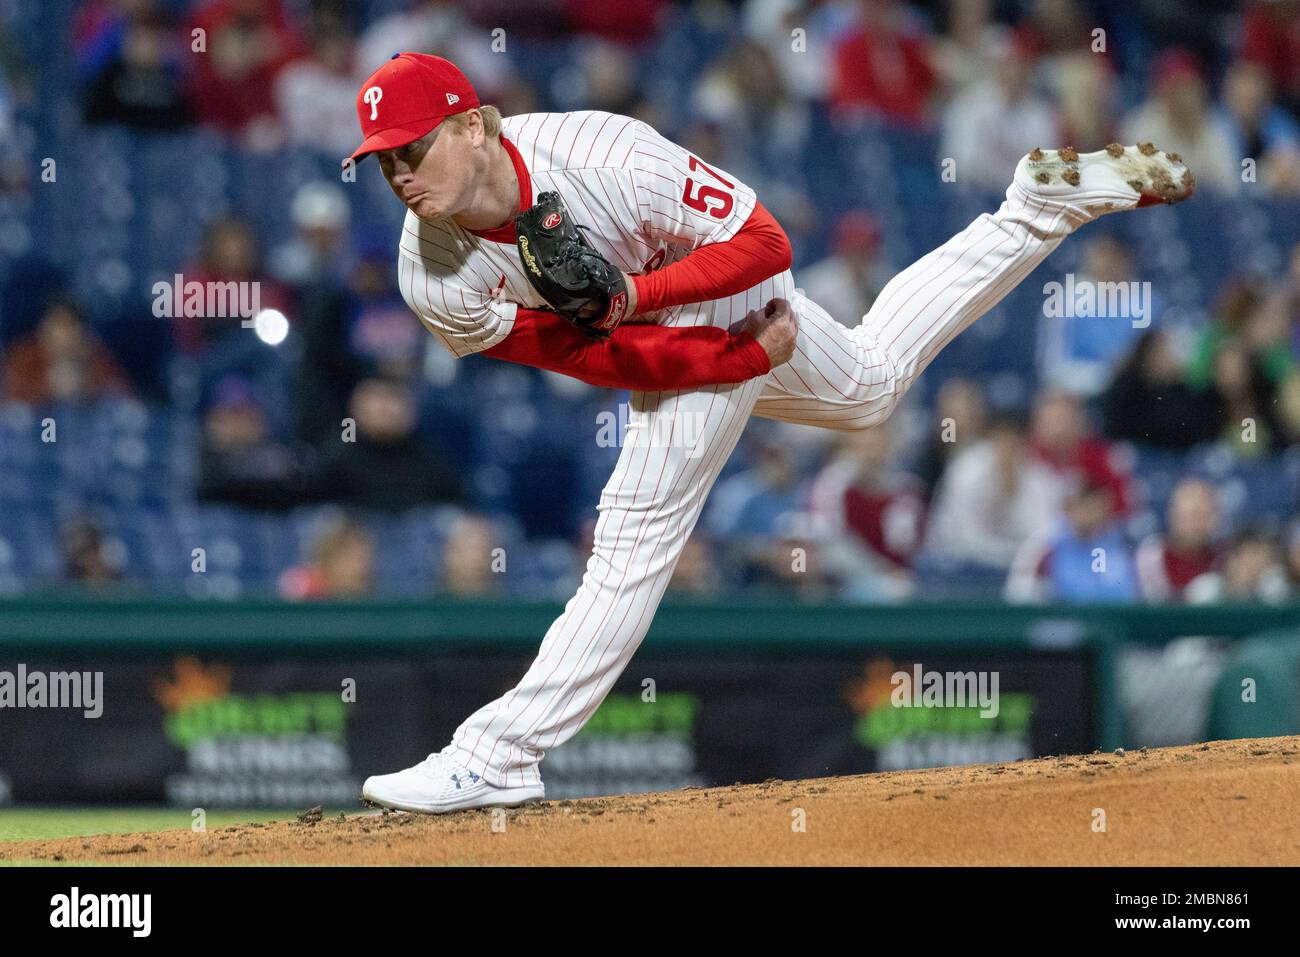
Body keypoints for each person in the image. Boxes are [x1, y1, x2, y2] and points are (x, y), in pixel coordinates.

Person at [349, 53, 1194, 813]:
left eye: (411, 147)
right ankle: (1035, 210)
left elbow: (763, 241)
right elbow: (583, 354)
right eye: (382, 158)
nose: (398, 173)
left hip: (713, 272)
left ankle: (499, 751)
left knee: (635, 529)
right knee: (867, 385)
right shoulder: (429, 271)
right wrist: (725, 357)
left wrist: (649, 306)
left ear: (472, 124)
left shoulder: (601, 155)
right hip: (675, 331)